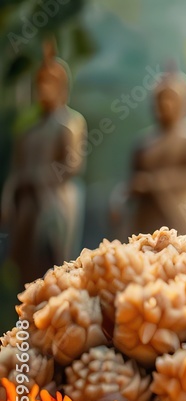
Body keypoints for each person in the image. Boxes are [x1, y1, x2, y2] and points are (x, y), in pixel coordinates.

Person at [1, 41, 86, 286]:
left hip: (54, 201)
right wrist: (8, 198)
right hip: (26, 204)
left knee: (52, 265)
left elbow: (73, 164)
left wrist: (39, 175)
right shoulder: (27, 132)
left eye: (49, 83)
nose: (43, 90)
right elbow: (17, 170)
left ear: (62, 87)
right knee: (25, 272)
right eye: (39, 84)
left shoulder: (69, 124)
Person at [124, 65, 186, 249]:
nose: (165, 105)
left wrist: (154, 181)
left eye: (171, 99)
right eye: (161, 99)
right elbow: (132, 179)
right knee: (144, 262)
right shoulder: (144, 142)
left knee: (178, 262)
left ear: (183, 102)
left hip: (178, 211)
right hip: (146, 215)